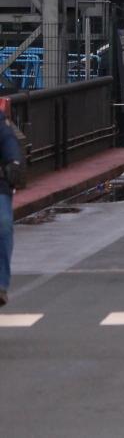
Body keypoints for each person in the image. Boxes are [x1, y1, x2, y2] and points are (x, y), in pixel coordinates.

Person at [0, 104, 25, 308]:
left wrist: (14, 164)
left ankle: (1, 284)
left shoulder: (2, 126)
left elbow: (9, 143)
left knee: (4, 223)